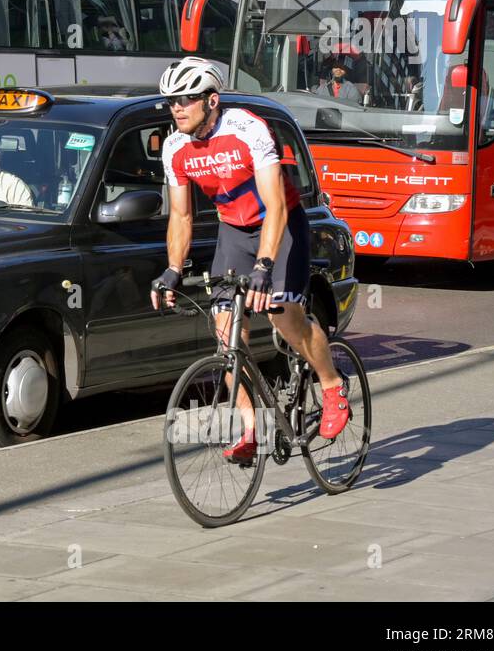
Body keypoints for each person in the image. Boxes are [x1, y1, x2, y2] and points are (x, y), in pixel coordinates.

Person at [150, 56, 350, 461]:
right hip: (234, 230)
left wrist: (264, 266)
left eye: (186, 99)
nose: (176, 108)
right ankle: (249, 428)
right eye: (171, 100)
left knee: (283, 314)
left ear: (212, 100)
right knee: (226, 333)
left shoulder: (248, 129)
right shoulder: (175, 147)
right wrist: (173, 268)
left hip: (280, 224)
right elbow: (182, 216)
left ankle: (331, 387)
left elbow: (275, 205)